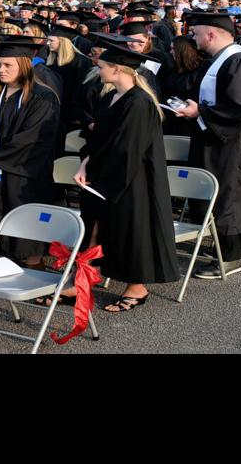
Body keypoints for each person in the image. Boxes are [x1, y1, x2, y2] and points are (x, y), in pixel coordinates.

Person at [170, 12, 241, 275]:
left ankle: (229, 258)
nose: (193, 39)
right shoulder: (227, 59)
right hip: (240, 141)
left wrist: (200, 112)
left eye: (196, 33)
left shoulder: (238, 61)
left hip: (236, 144)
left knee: (229, 195)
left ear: (210, 34)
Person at [73, 45, 180, 313]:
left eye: (101, 67)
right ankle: (81, 281)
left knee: (132, 230)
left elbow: (127, 148)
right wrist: (85, 164)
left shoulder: (139, 102)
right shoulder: (112, 97)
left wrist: (96, 171)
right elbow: (99, 140)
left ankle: (137, 287)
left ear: (117, 68)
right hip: (104, 173)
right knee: (95, 227)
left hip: (132, 178)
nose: (98, 71)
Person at [0, 37, 62, 267]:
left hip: (25, 173)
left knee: (26, 230)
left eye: (7, 65)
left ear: (24, 65)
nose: (1, 69)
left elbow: (30, 138)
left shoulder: (43, 96)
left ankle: (32, 266)